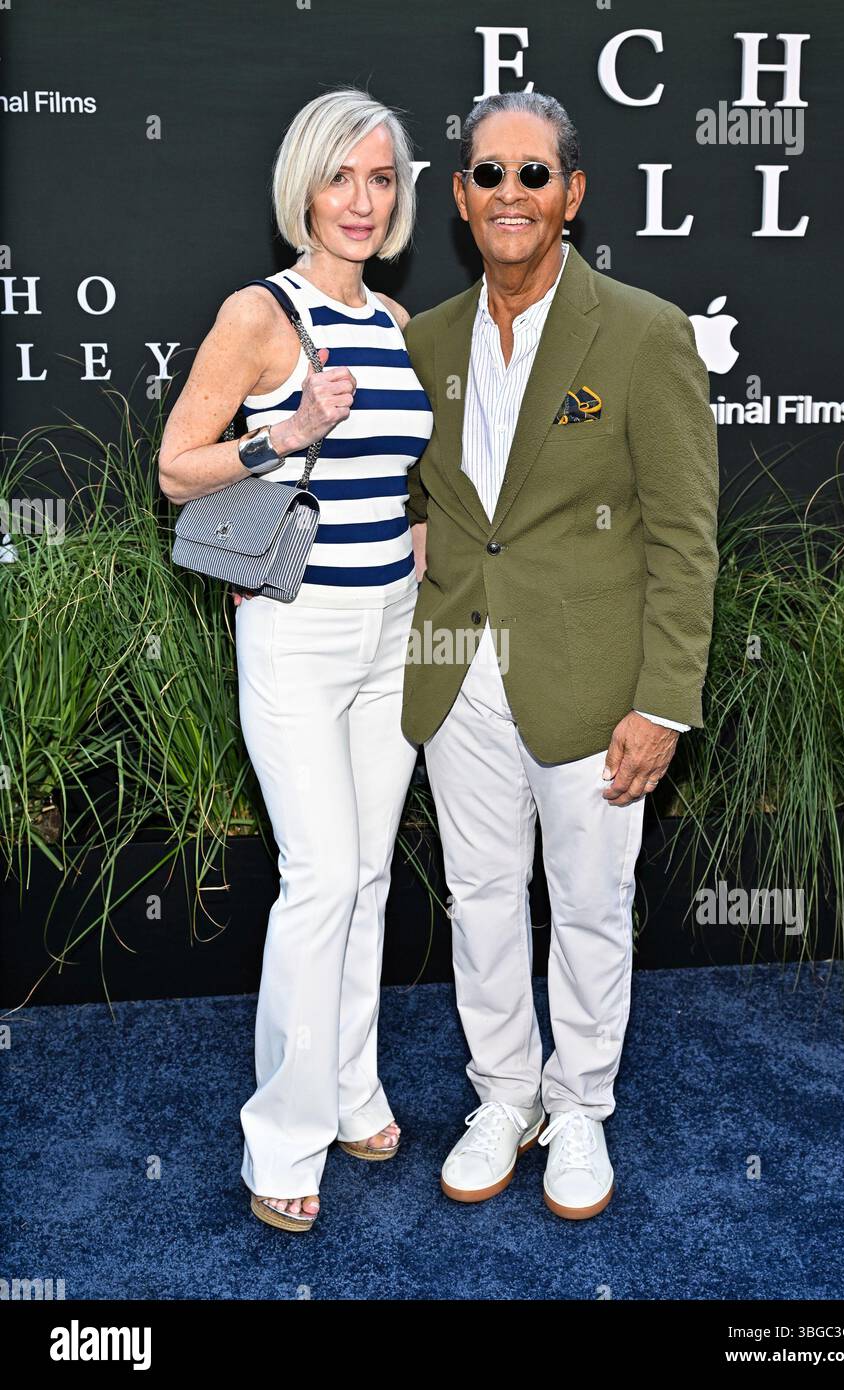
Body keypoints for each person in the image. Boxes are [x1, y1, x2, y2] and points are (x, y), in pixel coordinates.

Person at [402, 91, 719, 1220]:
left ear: (571, 195)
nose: (510, 195)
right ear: (460, 197)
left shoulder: (641, 331)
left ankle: (579, 1102)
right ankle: (504, 1094)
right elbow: (421, 506)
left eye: (533, 175)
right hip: (456, 675)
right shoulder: (423, 336)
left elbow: (685, 538)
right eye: (488, 174)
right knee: (480, 895)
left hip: (592, 681)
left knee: (589, 902)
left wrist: (665, 702)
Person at [158, 88, 432, 1232]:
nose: (362, 201)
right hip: (297, 627)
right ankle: (282, 1132)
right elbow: (177, 468)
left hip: (394, 627)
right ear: (304, 189)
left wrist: (421, 539)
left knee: (368, 873)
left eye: (382, 180)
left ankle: (353, 1084)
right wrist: (288, 431)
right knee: (319, 875)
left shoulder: (398, 322)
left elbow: (405, 477)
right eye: (342, 178)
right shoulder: (261, 313)